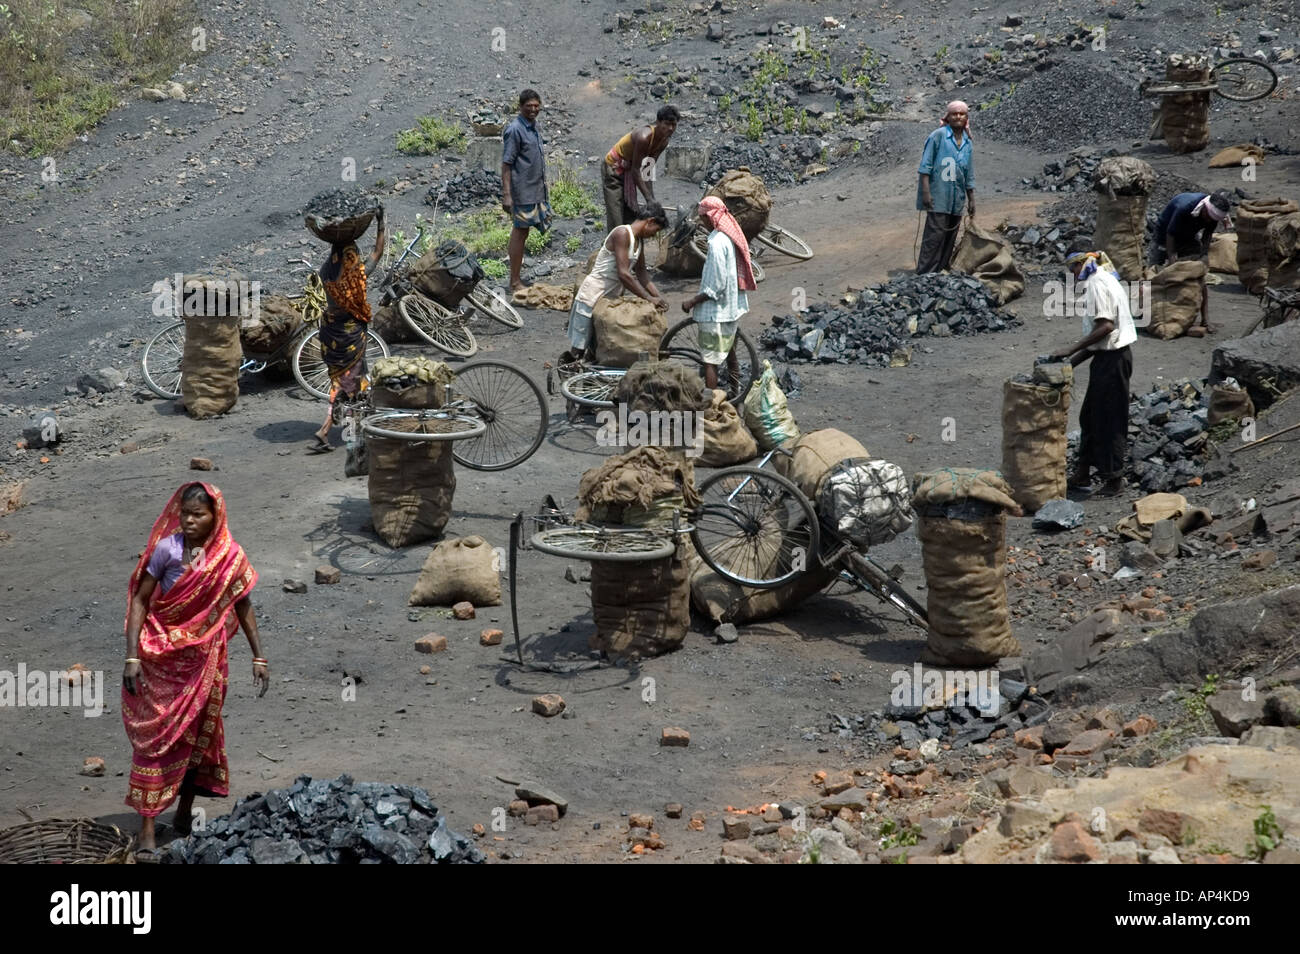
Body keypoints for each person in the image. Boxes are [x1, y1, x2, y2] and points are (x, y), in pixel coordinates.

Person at [122, 483, 267, 861]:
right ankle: (148, 827)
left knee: (196, 734)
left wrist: (259, 656)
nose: (188, 520)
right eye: (184, 512)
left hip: (205, 661)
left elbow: (242, 605)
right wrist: (132, 656)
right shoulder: (167, 550)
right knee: (154, 740)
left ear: (214, 517)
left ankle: (184, 814)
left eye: (198, 514)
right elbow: (140, 599)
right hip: (161, 658)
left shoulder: (229, 558)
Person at [1048, 249, 1138, 498]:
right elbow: (1099, 339)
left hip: (1113, 360)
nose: (1072, 274)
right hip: (1105, 358)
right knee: (1089, 417)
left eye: (1072, 268)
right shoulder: (1103, 279)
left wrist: (1072, 347)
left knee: (1109, 420)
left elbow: (1106, 327)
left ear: (1081, 263)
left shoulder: (1098, 284)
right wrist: (1070, 362)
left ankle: (1114, 480)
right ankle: (1083, 472)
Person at [313, 205, 386, 451]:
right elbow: (378, 252)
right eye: (354, 254)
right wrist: (381, 223)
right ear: (351, 257)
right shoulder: (356, 276)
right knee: (348, 384)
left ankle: (350, 429)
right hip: (350, 335)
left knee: (344, 382)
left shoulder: (326, 272)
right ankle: (329, 431)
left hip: (330, 335)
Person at [566, 203, 670, 359]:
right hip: (592, 296)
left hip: (610, 300)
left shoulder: (638, 241)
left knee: (601, 347)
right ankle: (568, 376)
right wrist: (648, 298)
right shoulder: (622, 233)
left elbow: (641, 272)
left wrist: (658, 296)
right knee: (579, 349)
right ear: (650, 221)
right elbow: (624, 274)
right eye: (655, 231)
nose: (653, 236)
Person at [680, 196, 756, 392]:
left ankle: (712, 406)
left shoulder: (715, 242)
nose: (702, 221)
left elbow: (716, 285)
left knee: (710, 361)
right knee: (730, 355)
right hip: (731, 308)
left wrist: (693, 301)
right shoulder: (729, 237)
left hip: (717, 312)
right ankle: (735, 396)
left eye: (703, 217)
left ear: (710, 216)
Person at [1151, 189, 1230, 334]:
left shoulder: (1213, 216)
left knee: (1199, 276)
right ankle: (1146, 315)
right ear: (1204, 207)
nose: (1208, 221)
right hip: (1165, 235)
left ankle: (1205, 319)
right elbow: (1170, 233)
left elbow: (1207, 235)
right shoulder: (1185, 207)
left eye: (1211, 219)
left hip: (1188, 237)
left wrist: (1203, 256)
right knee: (1155, 274)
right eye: (1207, 217)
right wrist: (1172, 259)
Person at [915, 100, 975, 274]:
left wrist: (971, 199)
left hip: (957, 199)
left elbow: (968, 173)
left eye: (961, 114)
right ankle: (925, 274)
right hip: (938, 196)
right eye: (954, 114)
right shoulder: (938, 136)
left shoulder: (967, 142)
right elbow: (925, 167)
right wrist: (926, 193)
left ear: (966, 118)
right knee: (934, 237)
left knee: (950, 237)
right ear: (948, 117)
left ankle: (940, 271)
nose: (958, 117)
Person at [603, 105, 680, 234]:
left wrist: (652, 200)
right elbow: (636, 170)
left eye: (674, 125)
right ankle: (613, 247)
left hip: (630, 170)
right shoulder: (644, 137)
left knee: (631, 214)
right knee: (616, 215)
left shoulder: (664, 141)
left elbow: (648, 169)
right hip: (614, 169)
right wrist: (648, 199)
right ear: (658, 122)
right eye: (667, 124)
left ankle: (629, 247)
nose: (670, 128)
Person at [501, 89, 550, 293]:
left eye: (536, 106)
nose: (533, 109)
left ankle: (516, 277)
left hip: (534, 189)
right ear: (520, 107)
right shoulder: (515, 129)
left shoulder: (533, 126)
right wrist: (507, 194)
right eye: (529, 106)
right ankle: (514, 281)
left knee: (524, 232)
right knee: (520, 232)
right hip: (522, 191)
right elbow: (506, 164)